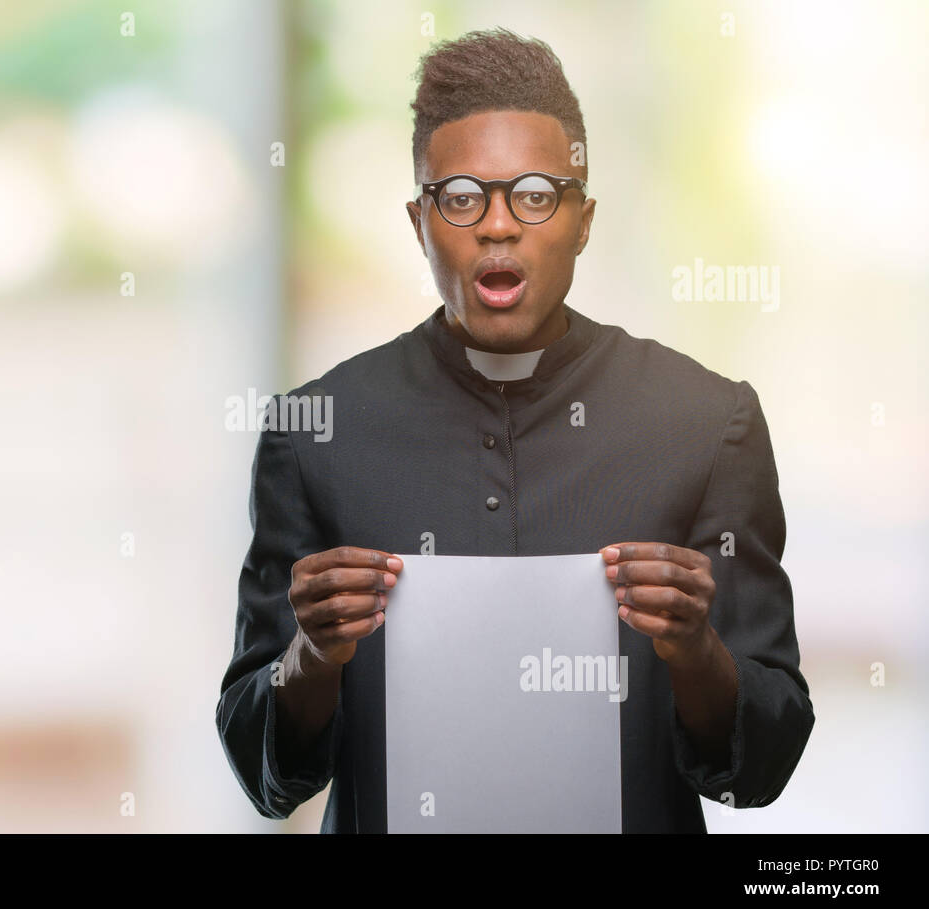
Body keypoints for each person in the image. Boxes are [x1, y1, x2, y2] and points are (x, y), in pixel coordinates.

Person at [215, 28, 814, 833]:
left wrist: (697, 652)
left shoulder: (709, 422)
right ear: (419, 221)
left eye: (535, 193)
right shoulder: (313, 433)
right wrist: (310, 657)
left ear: (585, 218)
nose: (498, 226)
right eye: (461, 196)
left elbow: (763, 770)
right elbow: (266, 780)